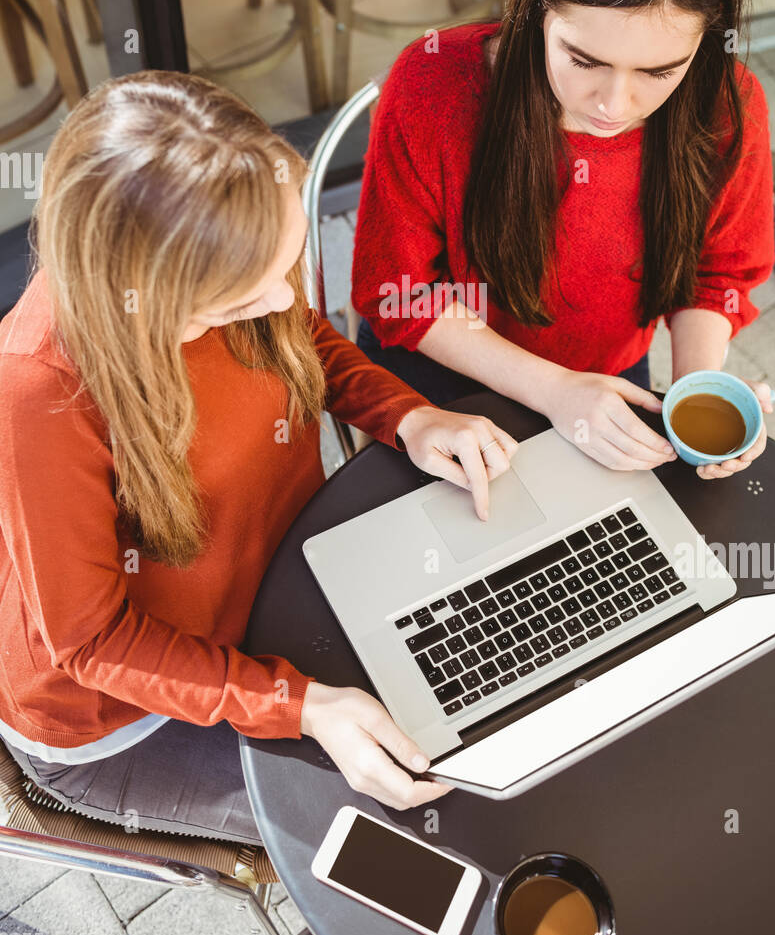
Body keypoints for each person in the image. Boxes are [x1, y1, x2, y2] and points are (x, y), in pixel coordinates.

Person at [0, 73, 522, 839]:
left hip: (272, 602)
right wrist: (304, 707)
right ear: (138, 291)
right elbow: (92, 642)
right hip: (121, 717)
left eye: (284, 269)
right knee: (406, 822)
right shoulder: (37, 389)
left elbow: (299, 336)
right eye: (238, 302)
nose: (281, 300)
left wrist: (407, 416)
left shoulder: (239, 268)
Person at [352, 0, 775, 482]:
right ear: (538, 8)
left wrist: (697, 389)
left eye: (659, 71)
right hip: (440, 379)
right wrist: (554, 391)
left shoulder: (729, 106)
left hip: (606, 378)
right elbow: (399, 292)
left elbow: (719, 276)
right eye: (583, 59)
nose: (613, 105)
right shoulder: (432, 85)